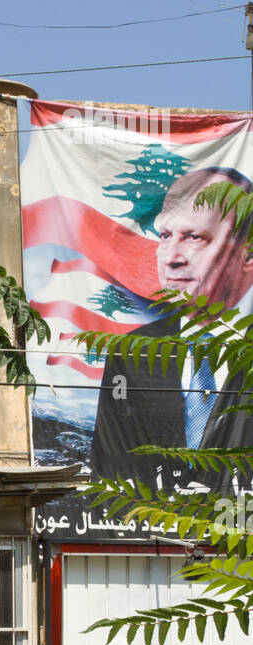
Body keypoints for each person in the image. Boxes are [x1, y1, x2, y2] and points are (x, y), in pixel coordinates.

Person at [90, 167, 253, 495]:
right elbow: (109, 474)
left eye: (194, 237)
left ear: (246, 254)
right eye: (165, 236)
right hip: (153, 541)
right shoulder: (131, 353)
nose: (171, 258)